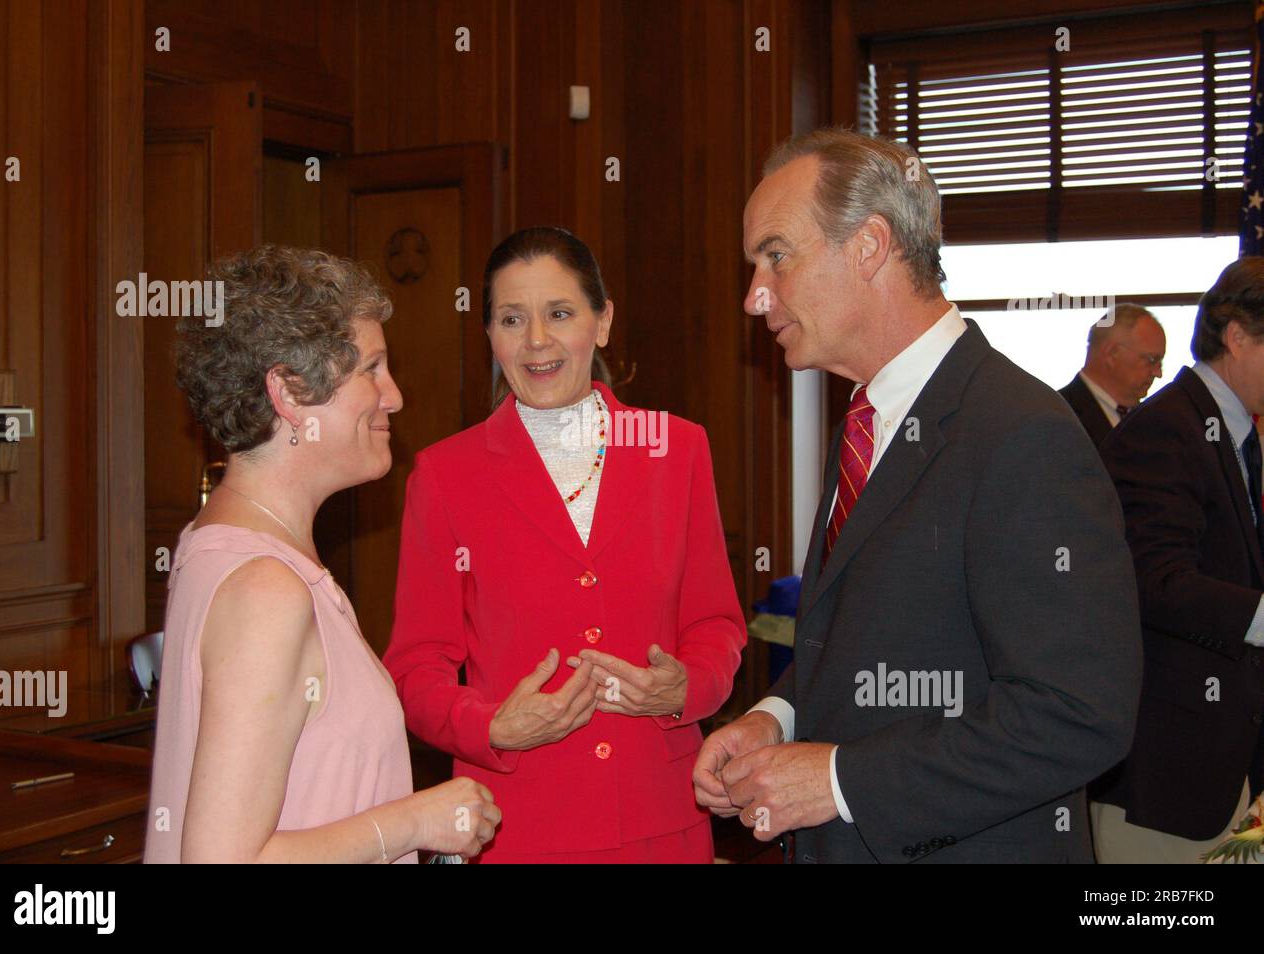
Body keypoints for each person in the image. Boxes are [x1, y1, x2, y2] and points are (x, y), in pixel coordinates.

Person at [693, 129, 1143, 863]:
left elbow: (1077, 715)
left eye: (776, 256)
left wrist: (838, 780)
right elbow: (870, 638)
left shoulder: (1019, 432)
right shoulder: (870, 420)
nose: (755, 297)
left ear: (869, 246)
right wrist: (776, 716)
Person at [385, 226, 746, 863]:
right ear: (490, 335)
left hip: (659, 820)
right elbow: (416, 667)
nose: (537, 341)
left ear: (602, 322)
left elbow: (716, 622)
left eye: (559, 313)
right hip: (517, 827)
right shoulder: (445, 476)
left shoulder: (677, 448)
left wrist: (685, 687)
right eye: (511, 319)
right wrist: (491, 725)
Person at [146, 245, 500, 863]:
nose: (393, 397)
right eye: (372, 368)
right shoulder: (266, 589)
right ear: (287, 390)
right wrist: (415, 821)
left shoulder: (225, 544)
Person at [1091, 257, 1264, 863]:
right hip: (1166, 770)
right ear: (1238, 336)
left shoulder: (1229, 430)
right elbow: (1155, 581)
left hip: (1219, 761)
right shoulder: (1166, 427)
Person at [1058, 303, 1166, 448]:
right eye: (1152, 360)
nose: (1158, 373)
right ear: (1111, 354)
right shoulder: (1060, 415)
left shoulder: (1157, 421)